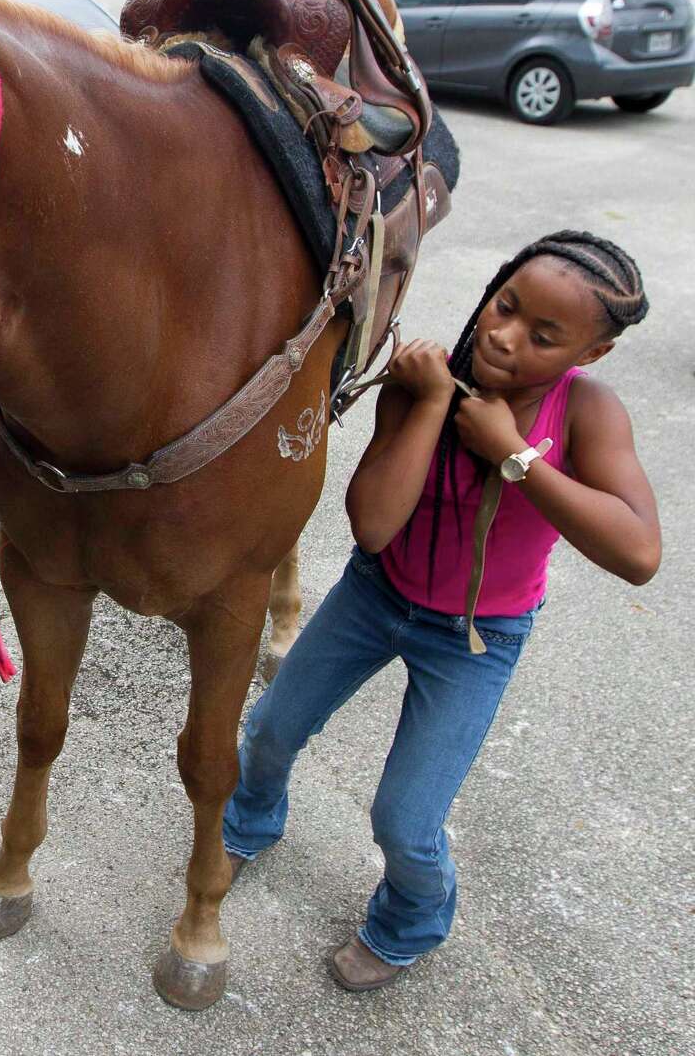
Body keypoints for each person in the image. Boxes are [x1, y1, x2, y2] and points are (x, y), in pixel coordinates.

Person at [223, 230, 661, 992]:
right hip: (376, 592)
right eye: (505, 304)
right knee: (269, 730)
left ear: (589, 355)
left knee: (405, 818)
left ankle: (412, 919)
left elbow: (639, 553)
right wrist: (428, 402)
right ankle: (249, 822)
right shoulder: (427, 377)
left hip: (476, 635)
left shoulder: (588, 410)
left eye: (543, 335)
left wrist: (514, 455)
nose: (502, 333)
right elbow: (374, 525)